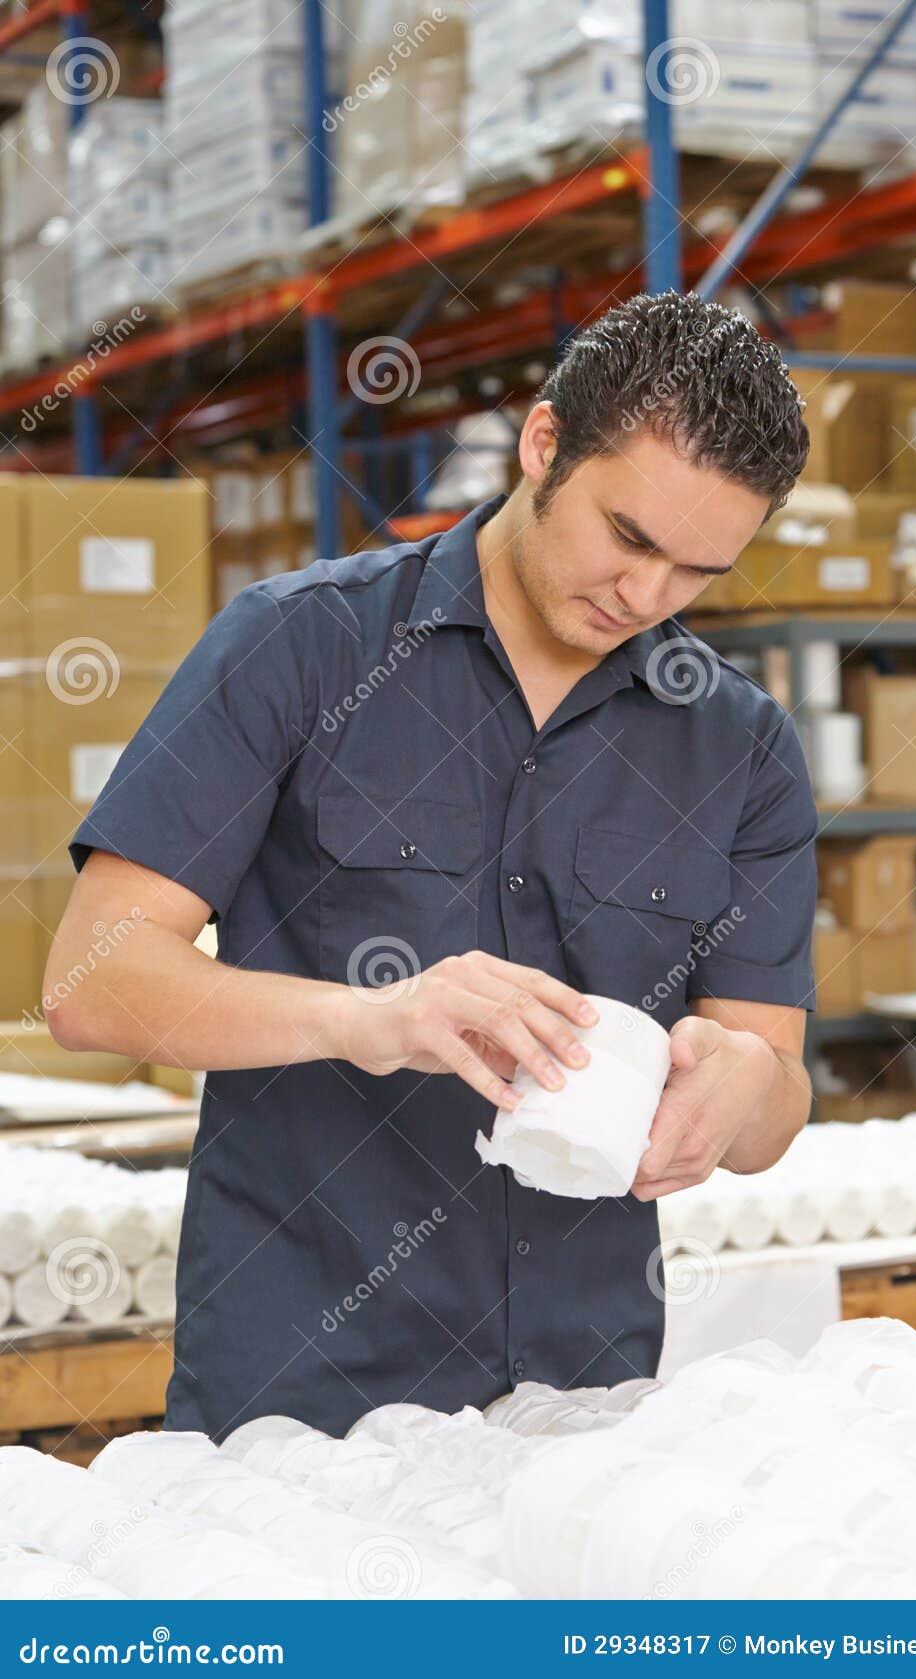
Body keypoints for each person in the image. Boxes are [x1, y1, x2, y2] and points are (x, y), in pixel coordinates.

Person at [44, 291, 818, 1442]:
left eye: (697, 572)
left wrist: (745, 1090)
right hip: (298, 1402)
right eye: (630, 537)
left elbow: (776, 1093)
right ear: (543, 443)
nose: (644, 598)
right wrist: (378, 1019)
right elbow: (88, 985)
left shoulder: (737, 746)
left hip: (583, 1403)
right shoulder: (298, 648)